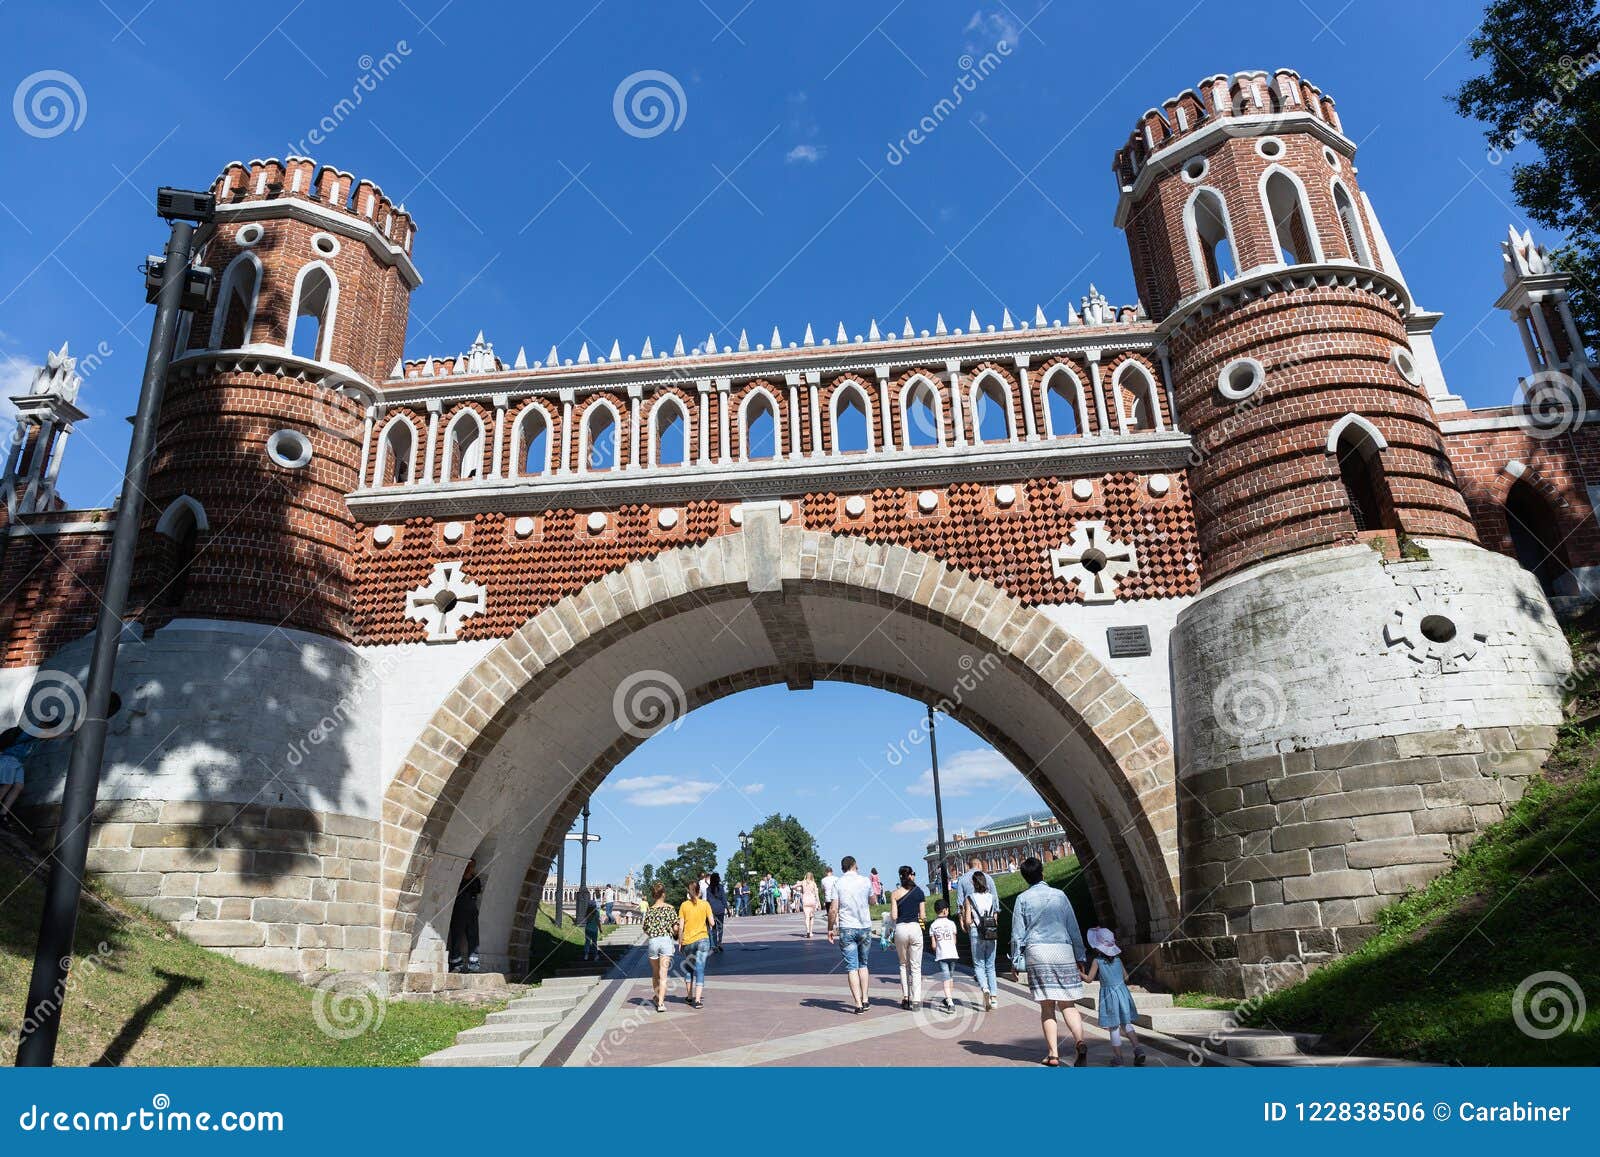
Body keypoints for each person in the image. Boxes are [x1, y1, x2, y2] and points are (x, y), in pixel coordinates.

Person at [1010, 856, 1088, 1067]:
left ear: (1025, 877)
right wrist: (1080, 956)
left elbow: (1017, 933)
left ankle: (1053, 1054)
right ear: (1042, 873)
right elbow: (1072, 926)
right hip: (1063, 951)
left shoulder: (1022, 899)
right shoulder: (1060, 895)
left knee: (1047, 1007)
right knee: (1068, 1004)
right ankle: (1080, 1041)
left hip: (1038, 953)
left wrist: (1015, 960)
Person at [1085, 927, 1145, 1066]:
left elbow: (1089, 979)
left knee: (1113, 1027)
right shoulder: (1118, 960)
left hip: (1109, 997)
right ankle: (1138, 1049)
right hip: (1123, 994)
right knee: (1126, 1024)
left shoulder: (1097, 961)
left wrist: (1079, 974)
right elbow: (1127, 977)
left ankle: (1118, 1058)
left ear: (1098, 947)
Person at [827, 855, 874, 1014]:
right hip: (864, 926)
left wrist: (830, 928)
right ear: (855, 865)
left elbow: (833, 909)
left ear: (842, 868)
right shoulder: (865, 881)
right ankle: (866, 999)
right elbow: (873, 901)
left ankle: (858, 1004)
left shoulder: (838, 883)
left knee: (851, 967)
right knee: (863, 964)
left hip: (847, 927)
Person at [960, 869, 1000, 1010]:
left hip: (976, 932)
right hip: (991, 932)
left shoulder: (969, 898)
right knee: (991, 966)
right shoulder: (992, 897)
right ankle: (994, 998)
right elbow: (995, 917)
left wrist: (968, 924)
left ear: (973, 883)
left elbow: (968, 920)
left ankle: (984, 988)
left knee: (978, 965)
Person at [888, 865, 926, 1010]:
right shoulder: (919, 892)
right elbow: (923, 915)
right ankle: (916, 1000)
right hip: (915, 928)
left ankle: (905, 998)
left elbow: (894, 916)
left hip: (901, 929)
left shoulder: (895, 894)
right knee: (916, 966)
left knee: (903, 964)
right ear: (910, 875)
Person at [677, 880, 715, 1008]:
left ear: (689, 892)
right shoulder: (705, 904)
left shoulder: (684, 905)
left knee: (689, 968)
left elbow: (681, 926)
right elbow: (712, 923)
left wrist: (680, 942)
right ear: (699, 891)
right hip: (703, 939)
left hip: (688, 941)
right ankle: (698, 1000)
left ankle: (689, 996)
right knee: (700, 969)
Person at [642, 883, 679, 1011]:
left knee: (655, 972)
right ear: (663, 894)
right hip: (666, 941)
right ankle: (661, 1004)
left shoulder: (650, 910)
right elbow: (675, 928)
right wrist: (674, 933)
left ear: (653, 895)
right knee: (663, 974)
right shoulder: (670, 908)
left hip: (653, 941)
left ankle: (657, 996)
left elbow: (645, 929)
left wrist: (653, 934)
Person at [447, 858, 483, 973]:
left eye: (472, 866)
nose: (469, 868)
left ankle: (474, 964)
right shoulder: (458, 879)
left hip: (471, 911)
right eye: (468, 866)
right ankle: (456, 963)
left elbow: (476, 892)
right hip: (458, 910)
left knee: (473, 937)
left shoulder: (476, 880)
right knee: (457, 936)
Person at [0, 727, 34, 831]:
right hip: (9, 759)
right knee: (7, 785)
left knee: (18, 786)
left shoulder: (36, 733)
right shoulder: (30, 731)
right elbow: (50, 735)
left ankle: (2, 814)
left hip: (19, 762)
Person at [928, 899, 959, 1013]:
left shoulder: (933, 925)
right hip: (953, 954)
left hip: (942, 955)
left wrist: (938, 948)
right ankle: (949, 998)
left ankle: (950, 1002)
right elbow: (954, 941)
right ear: (945, 910)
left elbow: (933, 945)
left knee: (945, 978)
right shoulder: (952, 924)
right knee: (950, 977)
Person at [706, 872, 728, 952]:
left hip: (712, 910)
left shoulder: (708, 889)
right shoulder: (720, 887)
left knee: (714, 928)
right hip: (720, 909)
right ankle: (719, 943)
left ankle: (714, 945)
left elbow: (708, 900)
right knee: (720, 927)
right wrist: (727, 909)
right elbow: (724, 899)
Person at [582, 888, 602, 962]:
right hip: (594, 930)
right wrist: (600, 929)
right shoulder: (596, 913)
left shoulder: (587, 913)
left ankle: (586, 955)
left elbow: (586, 919)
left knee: (587, 942)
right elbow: (598, 922)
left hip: (587, 929)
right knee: (594, 943)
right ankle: (595, 956)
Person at [800, 871, 820, 937]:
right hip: (812, 901)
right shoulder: (813, 883)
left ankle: (808, 931)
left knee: (806, 917)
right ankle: (811, 932)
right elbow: (816, 894)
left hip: (805, 901)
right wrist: (819, 903)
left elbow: (795, 887)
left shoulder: (803, 882)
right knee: (811, 917)